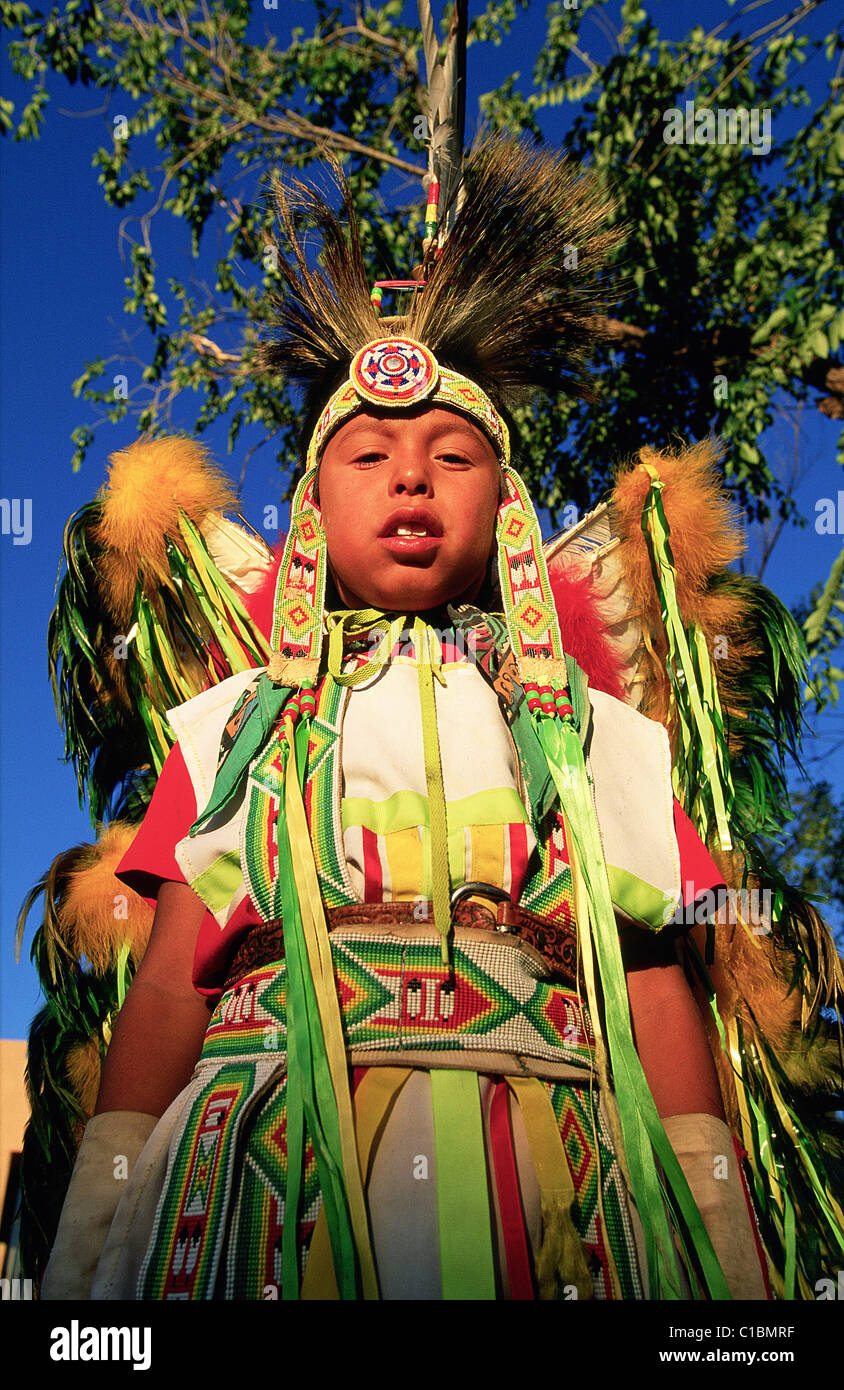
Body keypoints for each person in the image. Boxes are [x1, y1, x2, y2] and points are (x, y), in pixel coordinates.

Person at [41, 140, 773, 1301]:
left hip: (555, 1185)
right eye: (369, 456)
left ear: (508, 506)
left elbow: (646, 979)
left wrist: (720, 1226)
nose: (412, 481)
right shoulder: (236, 725)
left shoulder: (593, 733)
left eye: (454, 457)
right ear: (314, 509)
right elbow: (177, 974)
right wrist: (97, 1205)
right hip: (261, 1179)